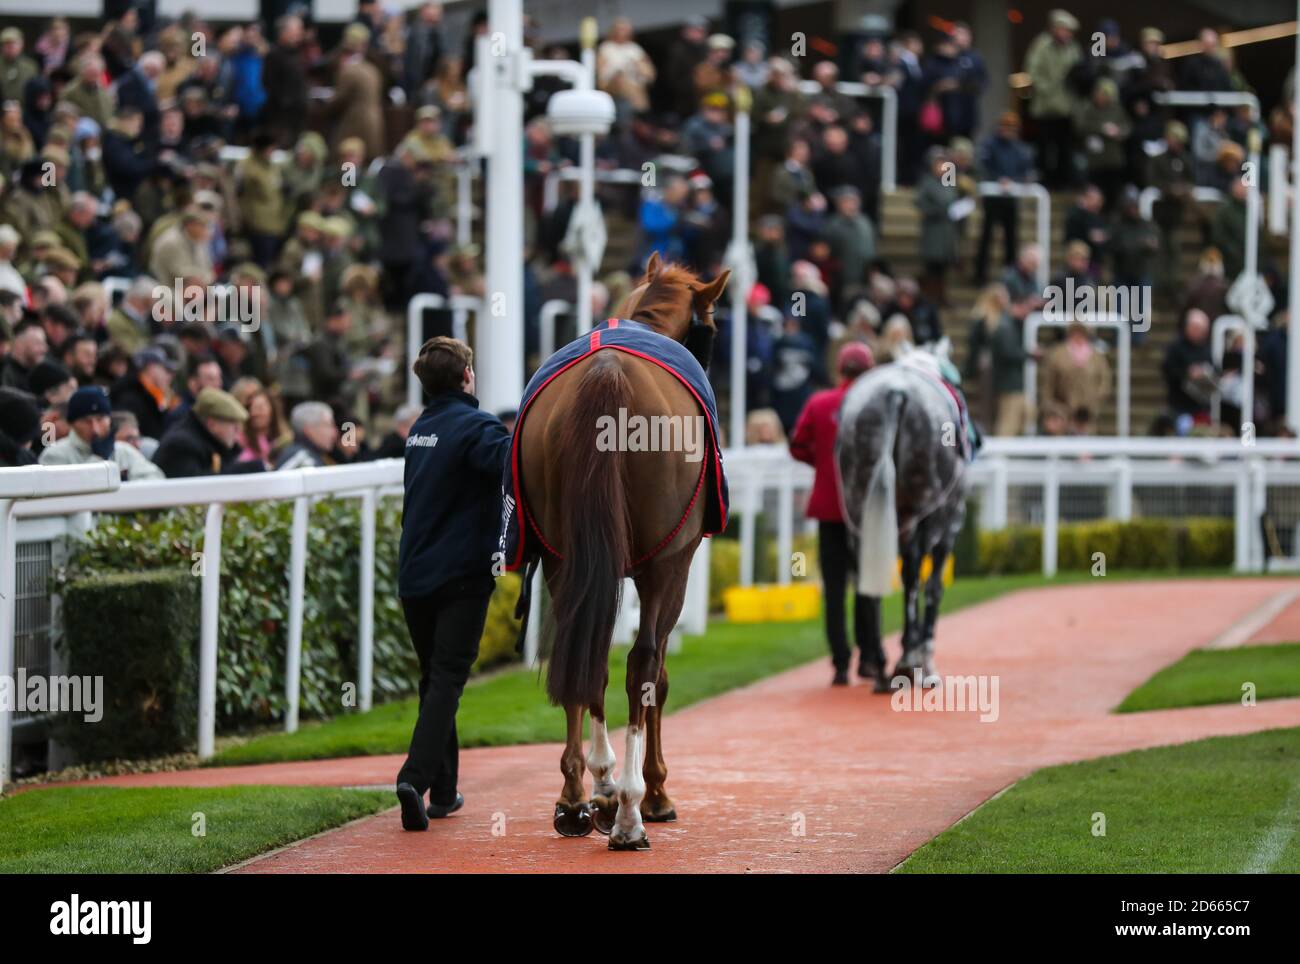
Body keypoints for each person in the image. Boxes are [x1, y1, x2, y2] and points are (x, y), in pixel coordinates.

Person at [394, 336, 511, 831]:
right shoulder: (479, 427)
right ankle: (413, 778)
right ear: (466, 377)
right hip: (461, 576)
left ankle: (443, 791)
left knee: (433, 680)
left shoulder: (420, 429)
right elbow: (516, 470)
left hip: (415, 575)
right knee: (446, 680)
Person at [789, 342, 884, 688]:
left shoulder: (819, 403)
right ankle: (870, 658)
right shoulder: (877, 404)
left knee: (834, 589)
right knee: (868, 584)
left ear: (840, 370)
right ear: (870, 370)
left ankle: (841, 663)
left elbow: (797, 444)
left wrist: (825, 467)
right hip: (867, 510)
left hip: (829, 508)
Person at [39, 385, 164, 480]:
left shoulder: (123, 451)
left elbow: (155, 478)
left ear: (109, 420)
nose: (95, 428)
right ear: (72, 424)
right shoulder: (54, 455)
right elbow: (69, 491)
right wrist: (98, 459)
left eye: (100, 419)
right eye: (86, 421)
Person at [154, 386, 260, 478]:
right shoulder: (182, 445)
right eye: (233, 424)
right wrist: (249, 469)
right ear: (211, 423)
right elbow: (200, 487)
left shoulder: (202, 440)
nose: (238, 430)